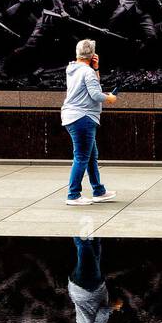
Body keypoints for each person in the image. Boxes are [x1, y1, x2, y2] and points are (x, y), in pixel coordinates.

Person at [62, 38, 117, 206]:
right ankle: (73, 194)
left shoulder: (72, 68)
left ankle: (98, 191)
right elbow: (95, 94)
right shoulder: (87, 72)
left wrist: (96, 69)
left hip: (73, 117)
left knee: (91, 156)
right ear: (92, 55)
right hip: (83, 118)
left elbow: (92, 85)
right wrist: (110, 98)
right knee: (81, 157)